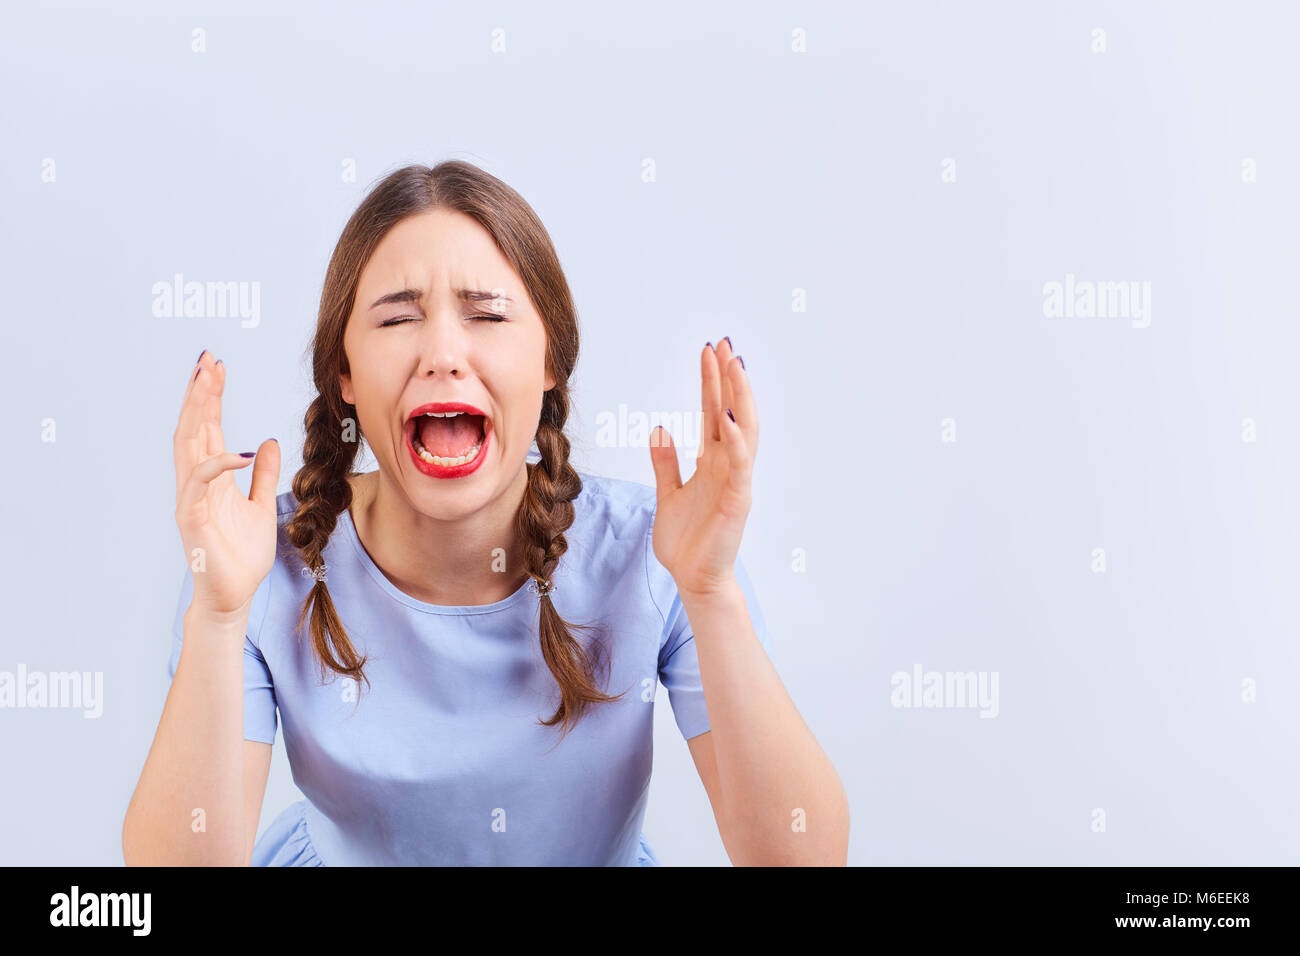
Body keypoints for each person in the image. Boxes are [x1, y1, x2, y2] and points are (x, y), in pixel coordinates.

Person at [122, 161, 849, 866]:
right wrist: (219, 614)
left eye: (488, 314)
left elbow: (803, 858)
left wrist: (711, 591)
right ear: (343, 374)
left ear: (549, 364)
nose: (442, 353)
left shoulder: (659, 555)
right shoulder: (256, 564)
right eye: (398, 318)